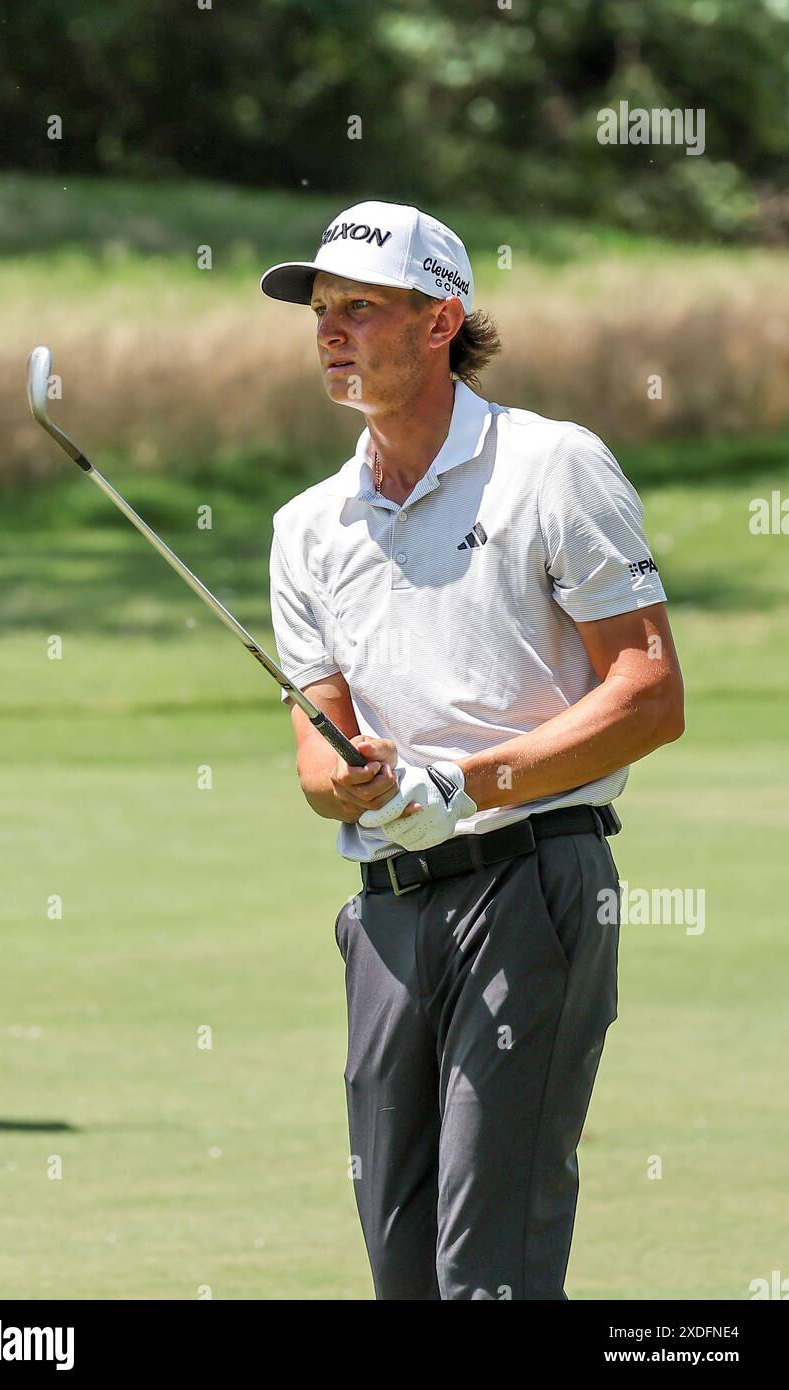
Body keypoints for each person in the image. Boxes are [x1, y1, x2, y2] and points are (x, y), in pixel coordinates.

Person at [262, 200, 684, 1300]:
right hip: (386, 913)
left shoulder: (552, 466)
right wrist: (353, 779)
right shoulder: (308, 526)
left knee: (486, 1269)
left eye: (362, 306)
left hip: (530, 881)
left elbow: (647, 693)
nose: (330, 329)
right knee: (402, 1265)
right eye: (320, 309)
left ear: (440, 321)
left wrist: (464, 783)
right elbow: (317, 757)